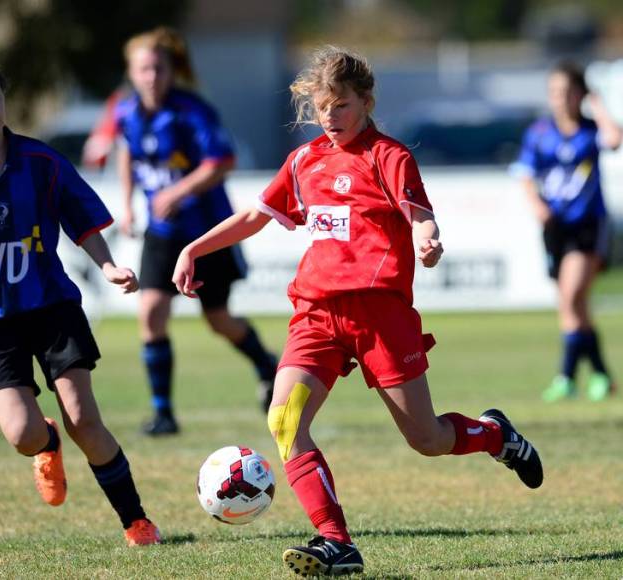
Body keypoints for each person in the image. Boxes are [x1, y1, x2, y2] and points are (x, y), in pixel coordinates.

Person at [173, 47, 544, 576]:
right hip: (317, 313)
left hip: (379, 316)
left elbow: (420, 215)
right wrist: (194, 248)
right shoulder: (303, 161)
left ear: (366, 102)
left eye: (341, 105)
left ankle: (495, 435)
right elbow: (256, 215)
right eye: (321, 107)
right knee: (285, 419)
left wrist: (427, 239)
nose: (330, 117)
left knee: (427, 439)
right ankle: (336, 542)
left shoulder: (389, 156)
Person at [0, 54, 160, 547]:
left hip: (52, 308)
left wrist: (108, 265)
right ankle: (46, 443)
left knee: (84, 420)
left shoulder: (41, 162)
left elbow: (82, 221)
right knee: (23, 435)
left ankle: (137, 522)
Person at [103, 27, 278, 435]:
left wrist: (177, 191)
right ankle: (163, 413)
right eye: (143, 69)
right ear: (131, 73)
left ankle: (266, 363)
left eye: (159, 68)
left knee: (218, 319)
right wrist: (127, 204)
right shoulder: (126, 112)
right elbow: (126, 153)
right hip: (162, 232)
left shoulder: (192, 111)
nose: (151, 77)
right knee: (150, 312)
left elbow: (222, 161)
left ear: (171, 71)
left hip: (207, 232)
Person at [513, 60, 621, 402]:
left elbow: (614, 139)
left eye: (567, 91)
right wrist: (537, 205)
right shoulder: (539, 133)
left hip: (587, 225)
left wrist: (597, 103)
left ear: (580, 94)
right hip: (555, 228)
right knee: (573, 306)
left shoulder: (590, 130)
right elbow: (524, 173)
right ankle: (601, 375)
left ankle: (566, 376)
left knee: (571, 296)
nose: (560, 98)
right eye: (554, 92)